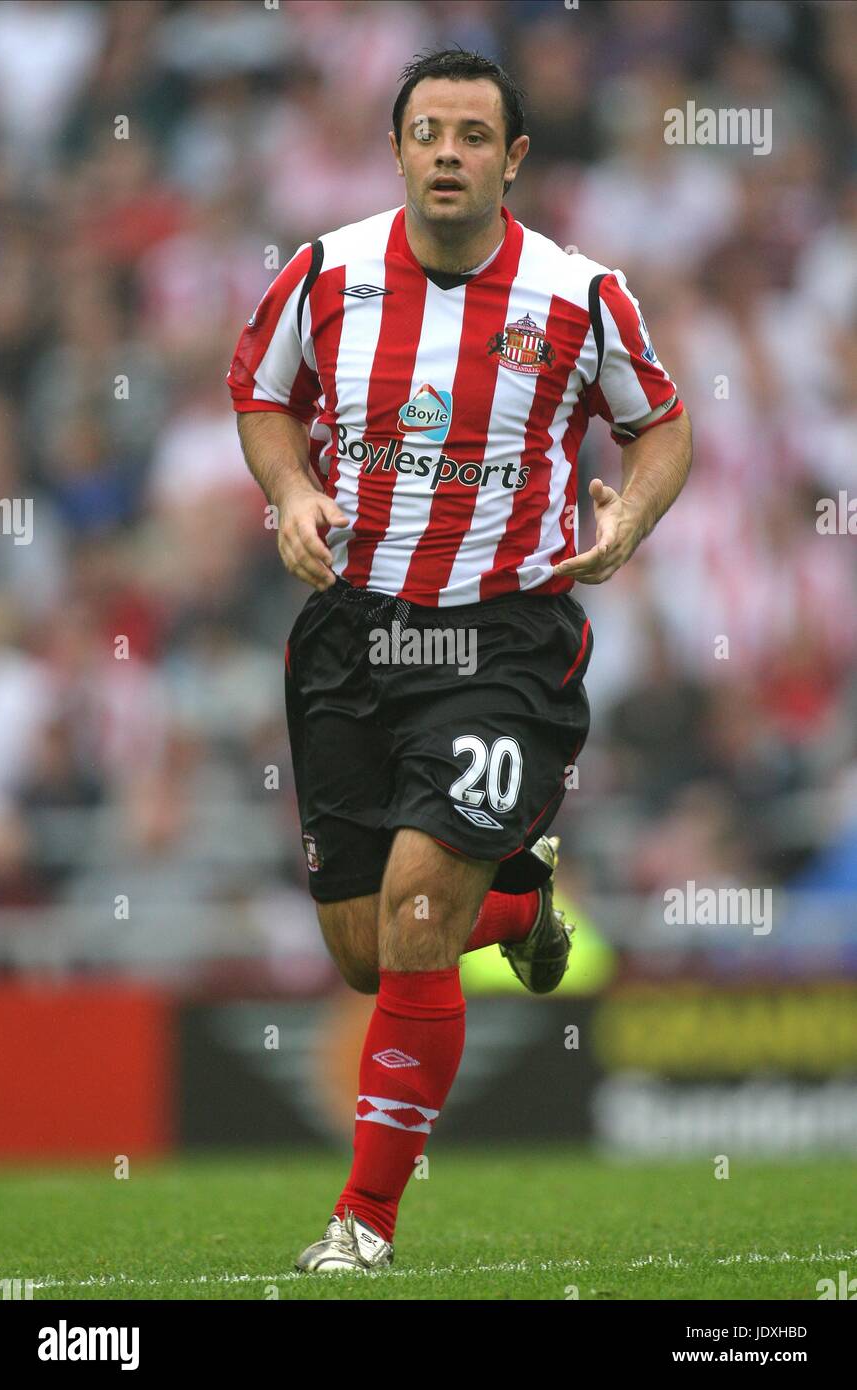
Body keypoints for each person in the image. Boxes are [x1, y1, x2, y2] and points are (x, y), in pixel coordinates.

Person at [227, 48, 692, 1273]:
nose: (446, 152)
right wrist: (289, 492)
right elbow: (259, 396)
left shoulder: (579, 296)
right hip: (352, 635)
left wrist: (624, 522)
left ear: (512, 158)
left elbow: (660, 424)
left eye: (472, 135)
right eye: (426, 131)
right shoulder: (321, 273)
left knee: (419, 916)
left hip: (502, 637)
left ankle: (360, 1226)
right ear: (394, 150)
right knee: (363, 948)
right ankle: (525, 902)